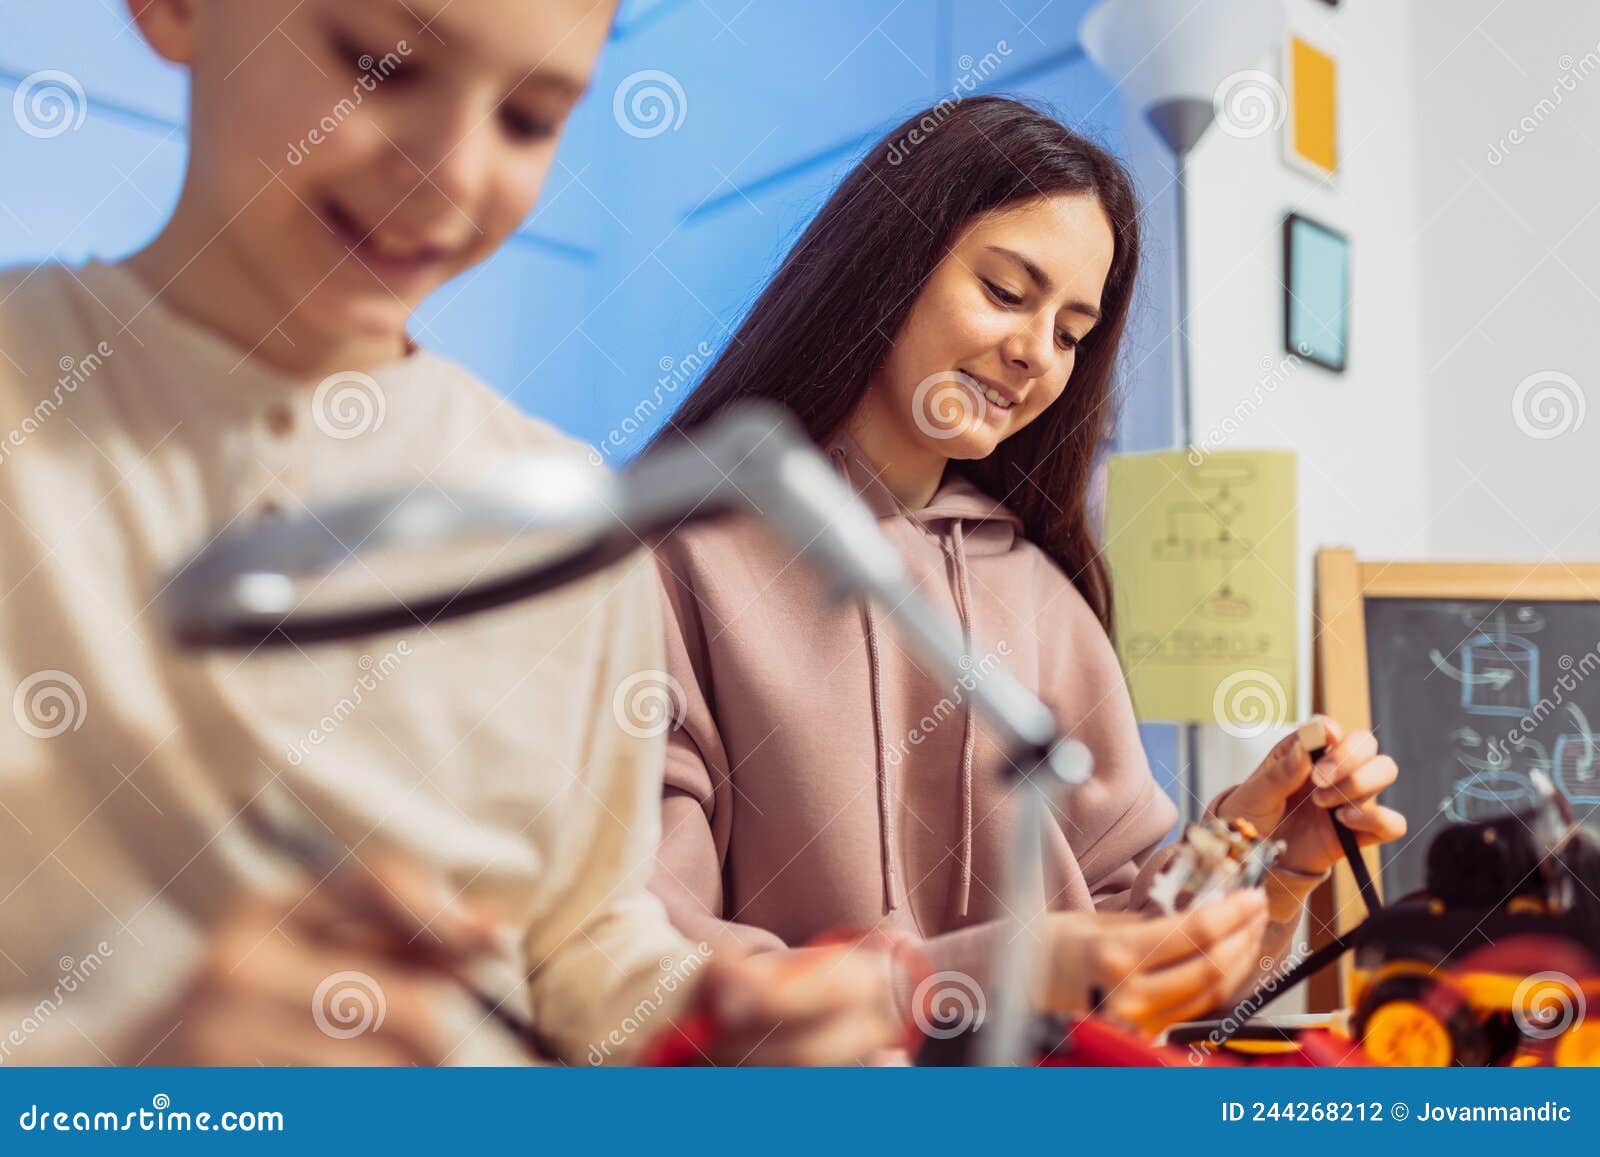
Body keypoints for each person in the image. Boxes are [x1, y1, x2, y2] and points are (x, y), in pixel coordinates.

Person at [0, 0, 902, 1067]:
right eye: (377, 65)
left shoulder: (565, 514)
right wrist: (125, 1065)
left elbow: (582, 938)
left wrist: (719, 1019)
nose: (451, 176)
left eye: (528, 119)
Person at [646, 96, 1406, 1031]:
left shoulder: (1043, 593)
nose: (1035, 355)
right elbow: (640, 964)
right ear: (888, 261)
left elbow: (1128, 955)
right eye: (1007, 291)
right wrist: (976, 977)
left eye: (1070, 332)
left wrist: (1261, 851)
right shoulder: (680, 557)